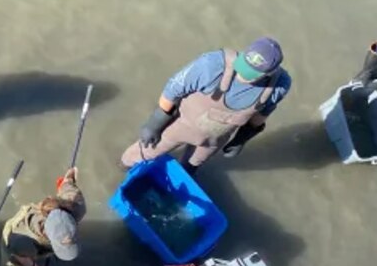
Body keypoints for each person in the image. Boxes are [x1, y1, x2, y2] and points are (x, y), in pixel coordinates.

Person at [120, 38, 292, 173]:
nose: (242, 74)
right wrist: (155, 123)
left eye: (252, 73)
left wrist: (241, 139)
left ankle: (184, 174)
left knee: (189, 168)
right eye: (244, 65)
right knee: (140, 155)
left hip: (213, 140)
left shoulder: (279, 86)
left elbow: (259, 117)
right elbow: (174, 88)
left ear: (270, 72)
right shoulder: (212, 65)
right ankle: (121, 169)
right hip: (179, 124)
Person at [0, 166, 84, 266]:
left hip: (44, 229)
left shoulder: (77, 206)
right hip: (15, 243)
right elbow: (21, 261)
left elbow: (69, 183)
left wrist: (68, 180)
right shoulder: (22, 243)